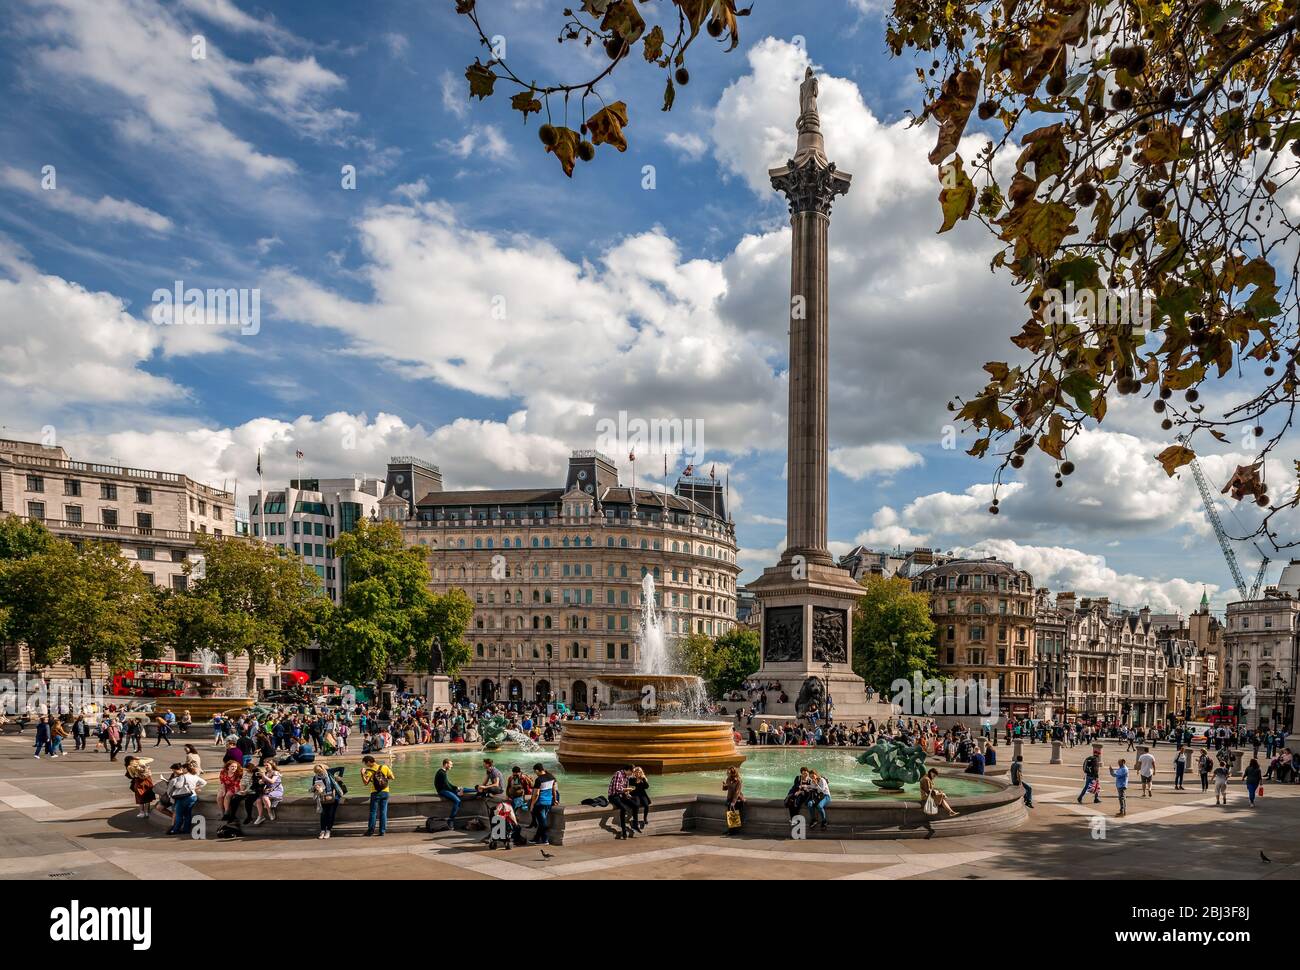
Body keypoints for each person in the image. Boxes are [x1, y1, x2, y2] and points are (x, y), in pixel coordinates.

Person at [167, 763, 206, 835]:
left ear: (186, 769)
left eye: (183, 768)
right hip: (193, 796)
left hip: (183, 797)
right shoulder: (194, 776)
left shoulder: (183, 776)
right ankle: (186, 829)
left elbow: (178, 786)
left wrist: (174, 780)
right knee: (188, 814)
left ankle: (175, 830)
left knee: (179, 814)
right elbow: (204, 783)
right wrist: (194, 788)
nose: (182, 769)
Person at [361, 755, 393, 837]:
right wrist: (383, 779)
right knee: (383, 812)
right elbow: (392, 777)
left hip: (375, 793)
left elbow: (365, 783)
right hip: (385, 792)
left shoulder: (369, 771)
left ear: (369, 762)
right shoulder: (384, 767)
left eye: (365, 763)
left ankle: (370, 831)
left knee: (373, 812)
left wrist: (362, 774)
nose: (366, 765)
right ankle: (382, 831)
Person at [433, 758, 469, 831]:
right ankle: (451, 820)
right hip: (442, 791)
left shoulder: (443, 772)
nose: (451, 766)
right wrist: (456, 791)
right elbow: (446, 786)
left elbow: (448, 784)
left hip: (446, 789)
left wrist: (456, 788)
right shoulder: (441, 773)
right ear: (446, 764)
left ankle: (478, 789)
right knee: (457, 801)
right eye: (450, 764)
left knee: (463, 789)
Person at [310, 764, 344, 839]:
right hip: (322, 797)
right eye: (317, 772)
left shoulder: (329, 772)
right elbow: (313, 788)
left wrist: (339, 777)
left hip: (333, 796)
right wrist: (316, 788)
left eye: (320, 771)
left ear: (323, 769)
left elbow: (341, 768)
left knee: (330, 814)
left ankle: (328, 831)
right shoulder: (315, 777)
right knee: (323, 815)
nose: (319, 773)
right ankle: (322, 831)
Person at [529, 763, 558, 845]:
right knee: (542, 821)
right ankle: (536, 839)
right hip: (548, 802)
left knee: (542, 823)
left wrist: (532, 804)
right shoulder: (551, 777)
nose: (535, 773)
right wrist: (555, 800)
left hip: (540, 803)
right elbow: (554, 790)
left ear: (537, 770)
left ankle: (545, 840)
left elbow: (536, 794)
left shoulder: (539, 780)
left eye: (535, 772)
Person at [607, 764, 638, 839]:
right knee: (623, 808)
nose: (632, 774)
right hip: (614, 796)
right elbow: (617, 788)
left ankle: (635, 824)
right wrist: (628, 789)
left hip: (622, 795)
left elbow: (624, 789)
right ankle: (624, 832)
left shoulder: (627, 777)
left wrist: (628, 794)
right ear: (628, 770)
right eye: (632, 772)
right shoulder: (618, 773)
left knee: (635, 805)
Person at [723, 765, 745, 835]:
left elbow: (737, 792)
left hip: (737, 800)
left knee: (734, 815)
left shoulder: (738, 780)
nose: (727, 774)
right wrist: (724, 786)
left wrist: (733, 802)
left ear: (733, 773)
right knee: (729, 814)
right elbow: (726, 789)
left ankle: (734, 831)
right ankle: (730, 830)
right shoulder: (728, 779)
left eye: (728, 773)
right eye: (727, 773)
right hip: (729, 799)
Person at [628, 766, 651, 832]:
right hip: (635, 794)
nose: (638, 773)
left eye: (639, 772)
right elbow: (631, 786)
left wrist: (643, 779)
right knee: (637, 805)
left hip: (642, 794)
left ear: (641, 772)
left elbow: (646, 787)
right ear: (634, 773)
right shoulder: (631, 779)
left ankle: (645, 818)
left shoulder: (643, 778)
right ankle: (635, 820)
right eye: (636, 772)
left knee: (646, 805)